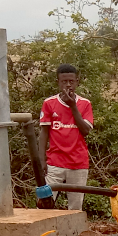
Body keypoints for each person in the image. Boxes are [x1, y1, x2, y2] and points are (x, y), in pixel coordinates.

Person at [40, 63, 93, 211]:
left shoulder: (84, 104)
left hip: (78, 163)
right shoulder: (49, 103)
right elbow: (43, 133)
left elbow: (85, 130)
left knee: (75, 208)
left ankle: (71, 234)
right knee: (44, 204)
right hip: (54, 162)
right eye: (64, 81)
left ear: (77, 81)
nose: (68, 85)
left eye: (71, 81)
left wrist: (73, 106)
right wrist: (42, 160)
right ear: (58, 82)